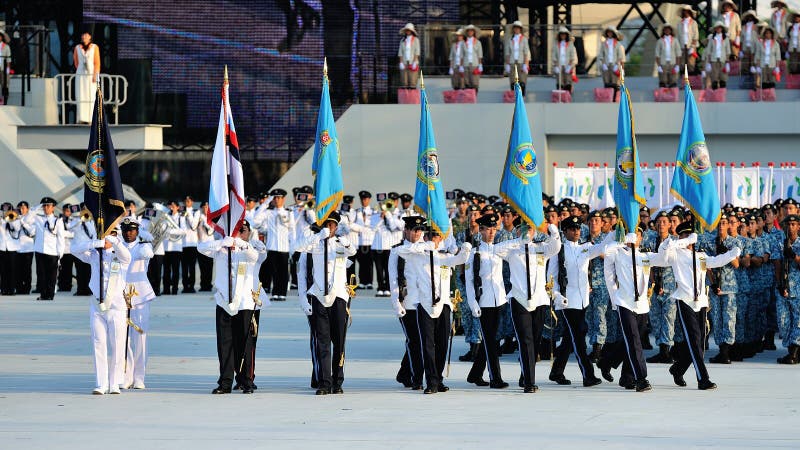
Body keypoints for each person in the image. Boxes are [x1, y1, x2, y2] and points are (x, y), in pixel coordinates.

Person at [659, 221, 740, 390]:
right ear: (680, 237)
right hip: (685, 300)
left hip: (701, 302)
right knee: (694, 341)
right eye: (684, 236)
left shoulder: (700, 255)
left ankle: (677, 369)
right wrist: (682, 242)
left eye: (690, 236)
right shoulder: (675, 253)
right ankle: (703, 378)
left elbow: (715, 262)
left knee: (699, 343)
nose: (688, 239)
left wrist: (732, 254)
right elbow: (664, 249)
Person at [398, 225, 471, 394]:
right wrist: (424, 246)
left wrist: (465, 249)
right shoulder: (418, 255)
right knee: (427, 345)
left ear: (441, 238)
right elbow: (400, 251)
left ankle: (438, 378)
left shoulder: (444, 256)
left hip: (444, 305)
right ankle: (430, 381)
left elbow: (459, 260)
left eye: (437, 236)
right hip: (425, 305)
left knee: (442, 345)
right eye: (430, 235)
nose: (434, 239)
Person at [603, 226, 670, 392]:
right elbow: (605, 251)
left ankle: (619, 371)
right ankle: (641, 378)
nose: (636, 237)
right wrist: (621, 240)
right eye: (632, 234)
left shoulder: (644, 255)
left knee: (633, 341)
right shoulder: (618, 253)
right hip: (624, 302)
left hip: (641, 304)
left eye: (638, 235)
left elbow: (663, 260)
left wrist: (666, 245)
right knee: (633, 341)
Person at [547, 216, 611, 387]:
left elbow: (601, 247)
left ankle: (556, 371)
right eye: (572, 229)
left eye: (578, 229)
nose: (576, 232)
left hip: (583, 300)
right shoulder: (559, 250)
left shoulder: (585, 248)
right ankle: (588, 374)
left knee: (570, 338)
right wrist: (556, 295)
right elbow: (551, 277)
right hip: (567, 301)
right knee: (578, 338)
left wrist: (614, 234)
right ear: (565, 231)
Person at [199, 220, 261, 394]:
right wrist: (222, 242)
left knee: (245, 344)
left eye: (242, 230)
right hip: (224, 301)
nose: (239, 233)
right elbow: (201, 248)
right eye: (236, 230)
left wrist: (240, 242)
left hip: (244, 303)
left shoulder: (249, 248)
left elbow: (255, 257)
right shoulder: (221, 249)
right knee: (225, 344)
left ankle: (246, 381)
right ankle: (225, 382)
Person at [498, 220, 561, 393]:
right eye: (522, 229)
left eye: (530, 229)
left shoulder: (540, 248)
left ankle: (525, 374)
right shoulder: (511, 250)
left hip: (539, 299)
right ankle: (529, 382)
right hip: (519, 300)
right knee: (525, 341)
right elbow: (496, 250)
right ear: (517, 231)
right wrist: (518, 241)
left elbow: (556, 246)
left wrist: (550, 228)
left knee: (535, 340)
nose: (527, 232)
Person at [299, 212, 357, 395]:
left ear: (337, 227)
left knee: (339, 342)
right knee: (322, 342)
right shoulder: (315, 243)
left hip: (339, 298)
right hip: (318, 297)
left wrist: (343, 241)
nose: (329, 228)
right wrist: (319, 235)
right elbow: (299, 247)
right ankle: (325, 382)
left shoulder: (340, 244)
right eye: (327, 224)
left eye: (332, 225)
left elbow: (353, 251)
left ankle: (337, 382)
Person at [72, 227, 132, 395]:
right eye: (104, 234)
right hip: (97, 305)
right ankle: (101, 383)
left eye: (110, 233)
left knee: (117, 344)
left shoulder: (121, 254)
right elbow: (73, 249)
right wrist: (96, 242)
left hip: (117, 305)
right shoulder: (94, 255)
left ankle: (114, 383)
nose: (106, 237)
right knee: (99, 343)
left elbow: (127, 256)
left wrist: (114, 240)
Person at [389, 216, 426, 390]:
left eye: (420, 230)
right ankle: (415, 377)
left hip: (424, 301)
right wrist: (396, 303)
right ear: (406, 230)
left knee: (419, 340)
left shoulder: (425, 248)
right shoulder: (397, 251)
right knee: (414, 340)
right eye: (414, 229)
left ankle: (404, 373)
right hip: (407, 302)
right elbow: (393, 279)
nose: (417, 233)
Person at [118, 218, 155, 390]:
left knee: (140, 337)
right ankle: (126, 375)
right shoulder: (117, 247)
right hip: (120, 295)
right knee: (122, 338)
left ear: (137, 231)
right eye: (125, 230)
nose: (128, 233)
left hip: (140, 296)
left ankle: (139, 376)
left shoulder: (142, 246)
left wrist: (145, 238)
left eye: (132, 230)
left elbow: (149, 254)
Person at [644, 211, 678, 364]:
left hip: (670, 286)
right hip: (653, 286)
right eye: (658, 222)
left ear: (670, 224)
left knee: (668, 318)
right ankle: (661, 349)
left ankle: (667, 350)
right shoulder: (650, 241)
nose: (661, 224)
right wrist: (651, 282)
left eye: (664, 221)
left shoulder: (675, 242)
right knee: (656, 318)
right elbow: (647, 263)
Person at [258, 189, 295, 301]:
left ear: (283, 199)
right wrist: (265, 203)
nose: (277, 200)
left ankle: (282, 293)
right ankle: (275, 293)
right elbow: (255, 220)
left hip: (284, 247)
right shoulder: (268, 212)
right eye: (275, 198)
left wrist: (292, 248)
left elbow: (292, 231)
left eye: (279, 198)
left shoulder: (289, 212)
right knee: (273, 270)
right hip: (272, 246)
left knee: (283, 271)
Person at [776, 214, 800, 364]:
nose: (790, 227)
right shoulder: (779, 243)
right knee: (784, 322)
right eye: (788, 224)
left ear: (798, 226)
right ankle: (791, 350)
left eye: (793, 224)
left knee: (798, 321)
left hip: (798, 288)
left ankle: (794, 353)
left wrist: (794, 256)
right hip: (784, 288)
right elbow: (777, 265)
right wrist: (780, 284)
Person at [32, 198, 65, 301]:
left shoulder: (58, 220)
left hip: (52, 251)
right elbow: (28, 216)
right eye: (44, 205)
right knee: (41, 274)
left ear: (53, 207)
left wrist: (60, 253)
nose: (46, 208)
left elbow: (61, 237)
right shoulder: (38, 218)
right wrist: (38, 206)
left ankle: (50, 294)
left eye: (48, 205)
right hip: (40, 250)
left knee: (51, 275)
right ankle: (43, 294)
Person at [73, 30, 101, 124]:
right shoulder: (77, 48)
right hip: (81, 74)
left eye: (86, 35)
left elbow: (97, 63)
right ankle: (81, 118)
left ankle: (91, 118)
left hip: (91, 75)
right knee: (80, 94)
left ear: (89, 36)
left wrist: (95, 75)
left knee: (91, 95)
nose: (84, 37)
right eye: (83, 35)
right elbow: (76, 62)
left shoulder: (94, 47)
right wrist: (80, 69)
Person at [162, 201, 185, 295]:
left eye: (173, 206)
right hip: (166, 247)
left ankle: (174, 289)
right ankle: (166, 289)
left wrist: (170, 231)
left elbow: (183, 231)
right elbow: (163, 229)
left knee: (175, 270)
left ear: (177, 207)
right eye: (170, 206)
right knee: (166, 270)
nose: (171, 208)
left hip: (176, 247)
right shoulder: (165, 217)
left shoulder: (181, 218)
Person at [179, 196, 201, 293]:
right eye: (185, 201)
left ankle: (191, 286)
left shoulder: (195, 212)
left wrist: (188, 214)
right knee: (184, 267)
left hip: (192, 243)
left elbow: (193, 226)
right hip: (183, 243)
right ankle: (185, 286)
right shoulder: (181, 212)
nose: (187, 202)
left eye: (189, 201)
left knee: (192, 267)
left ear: (192, 202)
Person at [597, 26, 625, 97]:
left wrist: (617, 65)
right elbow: (601, 55)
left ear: (613, 34)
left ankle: (614, 97)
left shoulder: (618, 44)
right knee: (606, 81)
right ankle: (607, 97)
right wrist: (603, 64)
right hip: (606, 64)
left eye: (611, 32)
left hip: (614, 64)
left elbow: (620, 56)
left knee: (614, 82)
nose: (609, 34)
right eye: (608, 32)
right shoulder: (603, 44)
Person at [505, 21, 531, 95]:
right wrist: (507, 64)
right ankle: (514, 96)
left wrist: (526, 63)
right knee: (513, 80)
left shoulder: (524, 39)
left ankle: (522, 96)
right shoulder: (510, 40)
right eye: (515, 28)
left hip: (521, 61)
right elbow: (507, 53)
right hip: (512, 61)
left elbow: (526, 52)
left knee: (522, 80)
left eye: (518, 28)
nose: (516, 30)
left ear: (520, 29)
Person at [0, 203, 21, 295]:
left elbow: (16, 228)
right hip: (2, 247)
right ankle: (3, 289)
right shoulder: (1, 220)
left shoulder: (15, 219)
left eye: (7, 209)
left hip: (12, 247)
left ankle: (12, 289)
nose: (5, 211)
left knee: (12, 269)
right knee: (3, 270)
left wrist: (10, 218)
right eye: (4, 209)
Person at [704, 21, 732, 90]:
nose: (718, 29)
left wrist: (727, 62)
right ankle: (715, 93)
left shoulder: (726, 39)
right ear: (715, 29)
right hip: (714, 59)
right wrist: (708, 62)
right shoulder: (712, 38)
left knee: (723, 77)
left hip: (723, 59)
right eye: (717, 28)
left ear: (722, 29)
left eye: (720, 28)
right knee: (714, 77)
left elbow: (728, 51)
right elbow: (709, 51)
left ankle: (722, 94)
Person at [15, 201, 35, 295]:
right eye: (20, 208)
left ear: (27, 208)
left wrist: (22, 222)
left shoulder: (31, 219)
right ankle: (19, 288)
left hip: (28, 248)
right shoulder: (15, 217)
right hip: (17, 248)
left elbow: (32, 232)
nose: (21, 210)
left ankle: (26, 289)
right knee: (18, 270)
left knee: (26, 270)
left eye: (23, 208)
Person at [551, 26, 578, 94]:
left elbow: (572, 56)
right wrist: (555, 65)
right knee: (559, 81)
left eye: (564, 34)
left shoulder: (570, 44)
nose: (563, 35)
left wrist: (570, 65)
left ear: (566, 35)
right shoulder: (556, 44)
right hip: (559, 64)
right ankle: (560, 97)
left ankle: (567, 96)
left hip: (567, 65)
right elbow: (554, 55)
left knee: (568, 81)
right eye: (561, 34)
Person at [756, 25, 782, 89]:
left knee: (772, 80)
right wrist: (758, 66)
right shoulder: (760, 43)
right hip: (763, 64)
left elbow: (778, 56)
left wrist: (777, 67)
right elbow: (758, 55)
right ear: (764, 34)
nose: (768, 35)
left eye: (769, 33)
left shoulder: (776, 43)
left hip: (772, 64)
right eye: (766, 33)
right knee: (764, 80)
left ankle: (771, 94)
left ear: (772, 34)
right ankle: (764, 94)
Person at [655, 23, 681, 88]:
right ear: (663, 31)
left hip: (673, 62)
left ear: (671, 31)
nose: (667, 31)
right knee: (663, 80)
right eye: (666, 30)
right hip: (663, 63)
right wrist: (658, 66)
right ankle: (663, 95)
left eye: (669, 30)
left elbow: (678, 53)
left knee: (673, 80)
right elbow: (657, 54)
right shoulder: (660, 41)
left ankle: (672, 96)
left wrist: (677, 65)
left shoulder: (675, 40)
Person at [677, 5, 700, 73]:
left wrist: (693, 46)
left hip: (691, 45)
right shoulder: (680, 23)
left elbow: (696, 35)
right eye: (684, 11)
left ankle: (690, 79)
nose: (685, 12)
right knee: (682, 63)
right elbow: (678, 35)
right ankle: (682, 78)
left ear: (690, 12)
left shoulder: (693, 22)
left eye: (687, 11)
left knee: (691, 63)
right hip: (682, 45)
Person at [398, 23, 420, 89]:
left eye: (409, 30)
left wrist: (415, 61)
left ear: (412, 31)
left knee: (413, 80)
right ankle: (405, 94)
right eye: (406, 30)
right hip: (404, 62)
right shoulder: (402, 40)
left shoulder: (416, 40)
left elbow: (417, 51)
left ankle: (412, 95)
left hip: (413, 62)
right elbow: (400, 52)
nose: (407, 31)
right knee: (404, 80)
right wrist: (401, 62)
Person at [461, 25, 483, 92]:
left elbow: (480, 54)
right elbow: (462, 55)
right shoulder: (463, 43)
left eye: (471, 31)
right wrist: (461, 65)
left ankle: (474, 97)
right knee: (467, 81)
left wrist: (480, 64)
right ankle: (468, 97)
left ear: (474, 32)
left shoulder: (477, 42)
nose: (470, 32)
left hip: (474, 64)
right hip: (466, 63)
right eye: (469, 31)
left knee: (474, 81)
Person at [740, 10, 760, 77]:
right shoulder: (743, 27)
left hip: (754, 46)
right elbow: (741, 39)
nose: (749, 18)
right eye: (748, 17)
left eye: (751, 17)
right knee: (745, 63)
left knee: (753, 62)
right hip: (745, 46)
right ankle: (745, 77)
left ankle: (753, 79)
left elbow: (759, 38)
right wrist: (740, 50)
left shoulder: (757, 27)